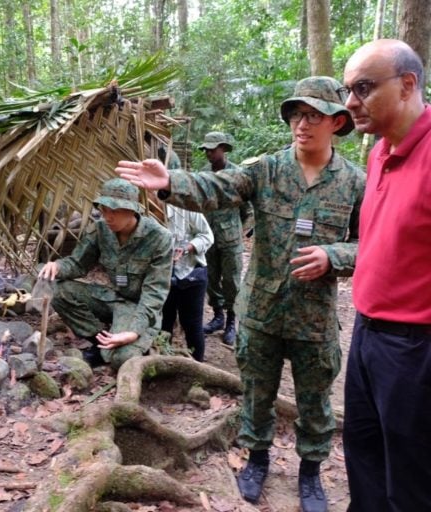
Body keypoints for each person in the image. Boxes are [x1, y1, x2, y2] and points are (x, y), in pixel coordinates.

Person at [116, 76, 365, 512]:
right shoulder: (267, 169)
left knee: (315, 402)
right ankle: (257, 460)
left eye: (313, 116)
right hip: (260, 312)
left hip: (315, 317)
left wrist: (333, 254)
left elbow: (371, 245)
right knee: (256, 393)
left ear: (337, 122)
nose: (301, 124)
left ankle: (311, 475)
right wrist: (170, 181)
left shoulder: (354, 184)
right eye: (295, 115)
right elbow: (219, 188)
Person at [340, 39, 431, 510]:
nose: (349, 103)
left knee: (416, 474)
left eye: (362, 88)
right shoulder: (380, 151)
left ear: (407, 85)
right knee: (363, 455)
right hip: (366, 334)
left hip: (420, 346)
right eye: (348, 89)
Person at [36, 178, 173, 372]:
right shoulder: (100, 230)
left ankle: (120, 344)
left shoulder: (159, 238)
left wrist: (133, 331)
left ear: (132, 209)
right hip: (114, 298)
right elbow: (77, 264)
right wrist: (57, 266)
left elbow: (155, 292)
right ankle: (102, 340)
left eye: (115, 211)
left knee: (122, 360)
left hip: (139, 308)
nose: (108, 216)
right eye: (104, 209)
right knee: (60, 291)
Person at [196, 132, 253, 345]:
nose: (209, 153)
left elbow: (248, 211)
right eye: (207, 150)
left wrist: (239, 232)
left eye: (213, 149)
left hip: (231, 240)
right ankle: (218, 316)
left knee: (231, 281)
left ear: (224, 149)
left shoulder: (238, 175)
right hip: (207, 237)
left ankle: (231, 320)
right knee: (210, 278)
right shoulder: (203, 174)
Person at [160, 204, 213, 362]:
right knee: (163, 324)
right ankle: (162, 364)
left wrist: (187, 248)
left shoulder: (183, 207)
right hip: (160, 277)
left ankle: (197, 369)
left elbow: (207, 236)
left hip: (191, 274)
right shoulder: (141, 212)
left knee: (192, 325)